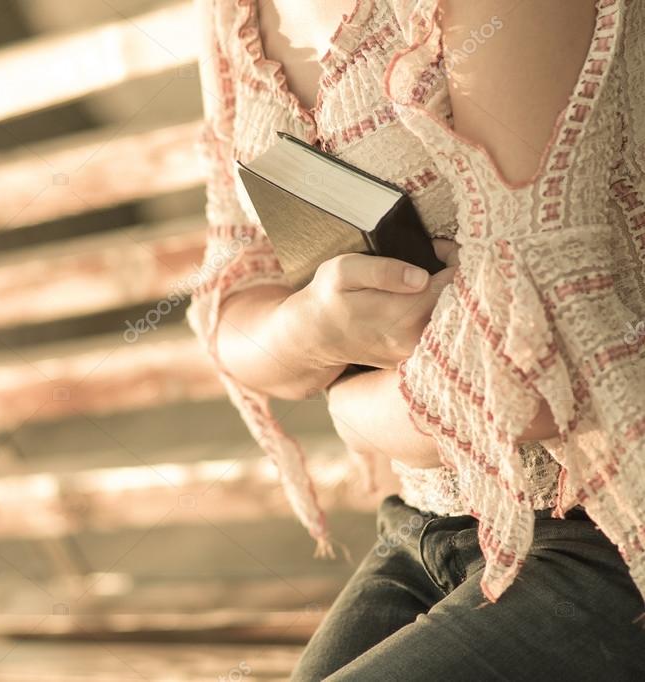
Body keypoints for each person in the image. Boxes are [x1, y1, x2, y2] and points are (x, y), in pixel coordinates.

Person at [187, 0, 645, 678]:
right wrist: (312, 326)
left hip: (607, 517)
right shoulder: (229, 14)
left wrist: (349, 408)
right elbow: (231, 291)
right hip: (431, 522)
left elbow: (544, 382)